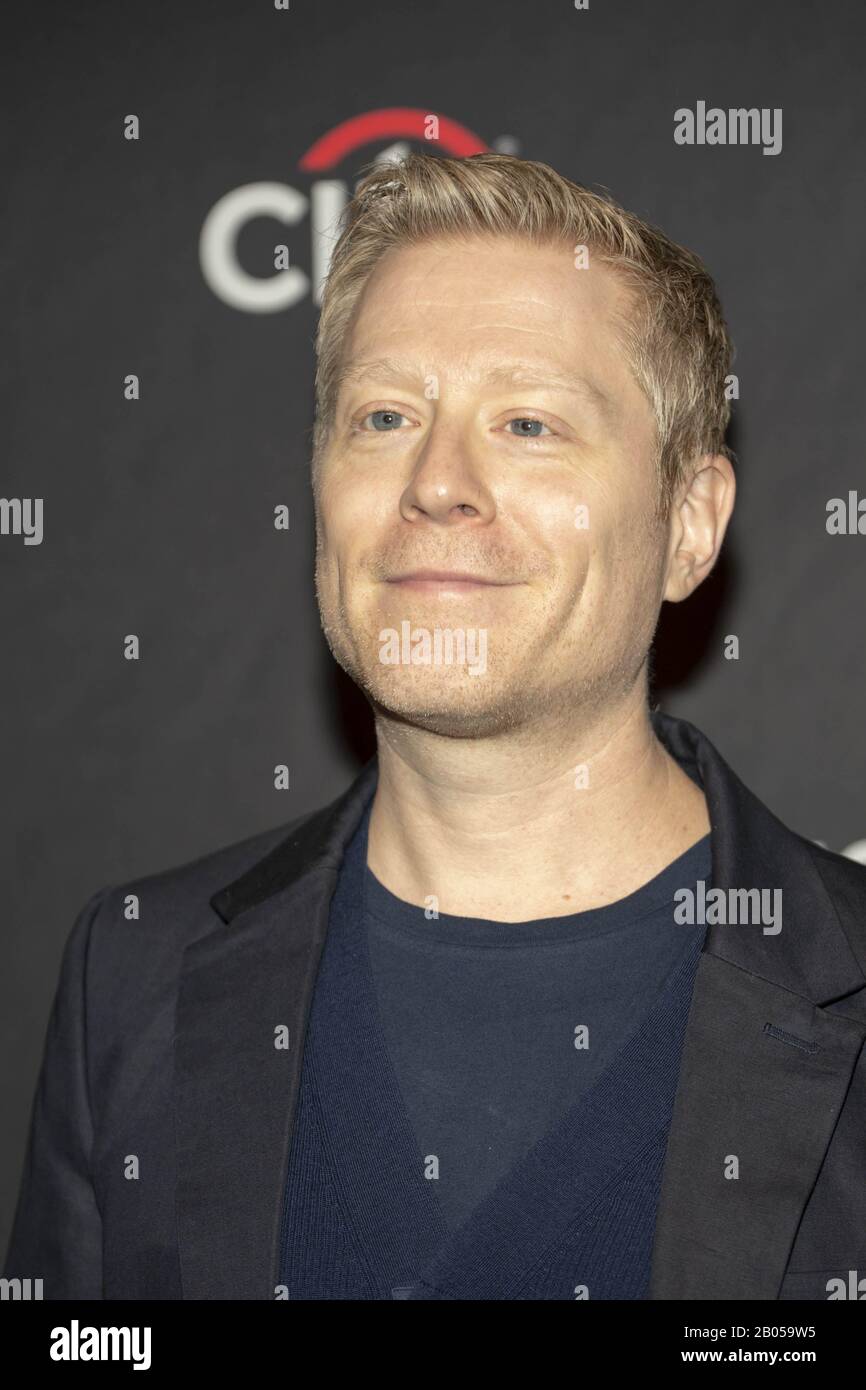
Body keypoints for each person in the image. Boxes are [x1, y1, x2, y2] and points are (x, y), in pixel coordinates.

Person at [6, 153, 866, 1301]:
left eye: (526, 422)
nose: (437, 481)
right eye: (384, 415)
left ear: (688, 524)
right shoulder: (133, 971)